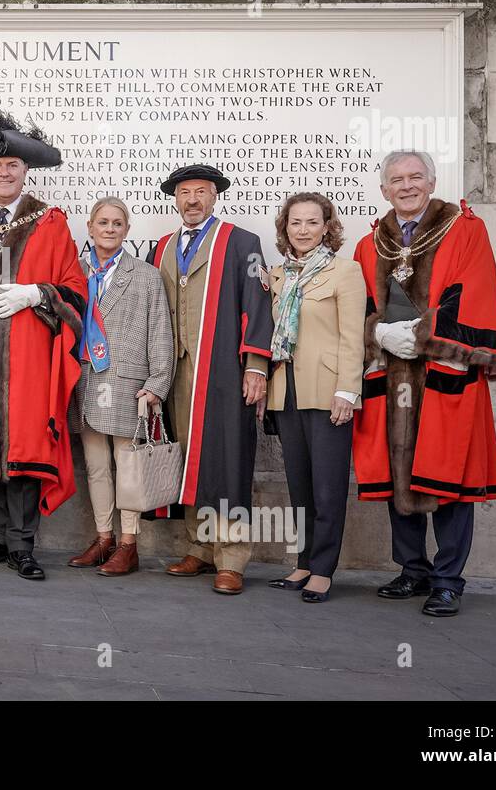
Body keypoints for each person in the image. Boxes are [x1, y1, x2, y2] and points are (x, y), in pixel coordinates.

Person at [355, 150, 496, 617]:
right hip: (390, 372)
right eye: (396, 180)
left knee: (449, 474)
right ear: (384, 188)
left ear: (431, 181)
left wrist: (422, 335)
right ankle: (413, 570)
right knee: (397, 470)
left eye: (415, 177)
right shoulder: (371, 244)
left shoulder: (465, 229)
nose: (406, 186)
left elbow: (474, 292)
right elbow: (360, 302)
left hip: (446, 372)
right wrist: (378, 332)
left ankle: (448, 580)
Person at [0, 114, 87, 580]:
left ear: (26, 171)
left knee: (24, 443)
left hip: (29, 356)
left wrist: (37, 294)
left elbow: (75, 290)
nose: (3, 173)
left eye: (12, 165)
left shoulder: (50, 223)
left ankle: (24, 545)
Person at [148, 164, 274, 595]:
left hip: (222, 370)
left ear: (215, 196)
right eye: (185, 193)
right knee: (184, 458)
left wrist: (257, 365)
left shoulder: (242, 243)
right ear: (176, 199)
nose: (193, 200)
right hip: (176, 370)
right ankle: (200, 548)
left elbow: (258, 305)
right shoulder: (161, 247)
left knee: (226, 457)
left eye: (202, 192)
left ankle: (232, 556)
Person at [263, 193, 365, 603]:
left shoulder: (346, 272)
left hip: (328, 393)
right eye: (295, 223)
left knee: (327, 487)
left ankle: (323, 569)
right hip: (286, 392)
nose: (302, 230)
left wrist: (347, 390)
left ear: (327, 226)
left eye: (311, 222)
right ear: (285, 229)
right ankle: (303, 562)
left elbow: (353, 337)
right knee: (299, 486)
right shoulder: (276, 275)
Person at [66, 196, 173, 577]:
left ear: (127, 231)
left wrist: (157, 383)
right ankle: (103, 537)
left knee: (127, 466)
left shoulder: (144, 275)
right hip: (86, 382)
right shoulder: (75, 272)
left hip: (127, 383)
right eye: (103, 223)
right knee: (96, 467)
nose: (109, 229)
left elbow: (161, 332)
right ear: (90, 228)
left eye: (117, 223)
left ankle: (129, 543)